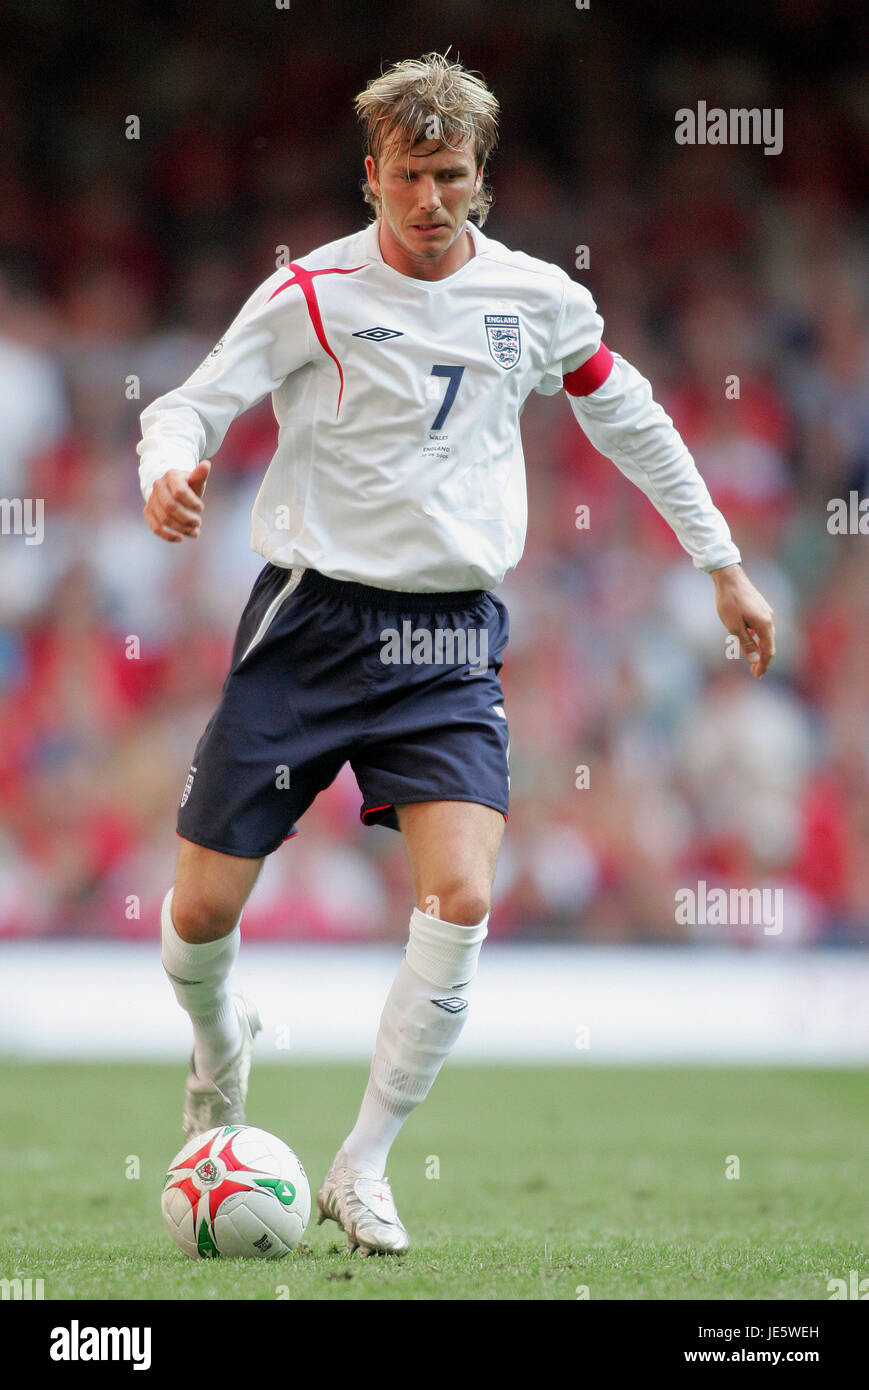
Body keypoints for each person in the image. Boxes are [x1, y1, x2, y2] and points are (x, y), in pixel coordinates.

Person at [137, 52, 775, 1256]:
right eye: (409, 177)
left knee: (464, 891)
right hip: (308, 625)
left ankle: (363, 1163)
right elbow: (189, 403)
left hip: (447, 637)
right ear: (368, 173)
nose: (430, 201)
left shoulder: (533, 299)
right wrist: (164, 468)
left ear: (479, 179)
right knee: (199, 913)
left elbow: (626, 414)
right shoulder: (310, 293)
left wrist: (720, 561)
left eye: (452, 177)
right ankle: (222, 1049)